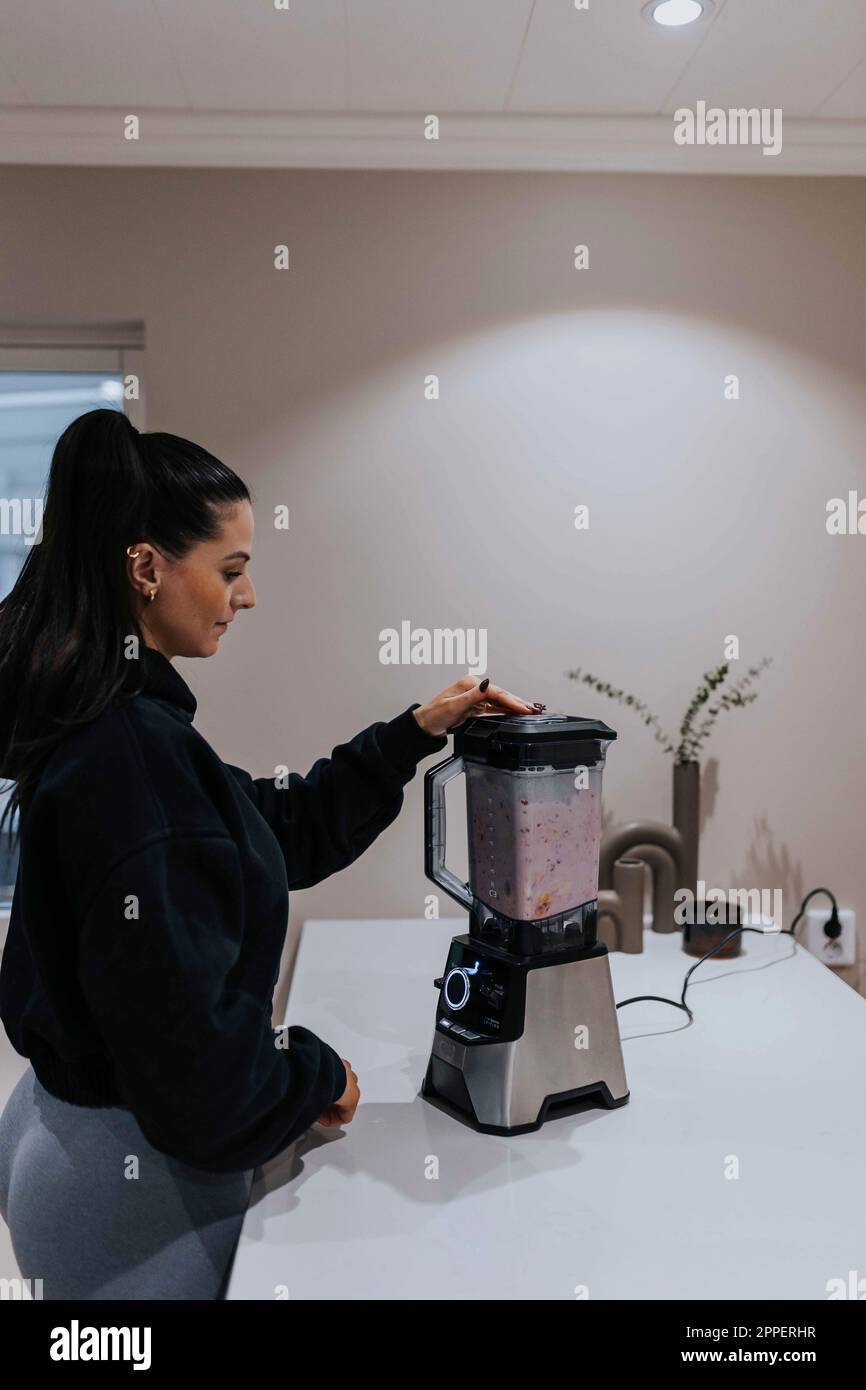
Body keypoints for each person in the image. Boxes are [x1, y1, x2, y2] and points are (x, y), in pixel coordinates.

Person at [0, 408, 535, 1300]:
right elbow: (206, 1091)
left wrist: (413, 732)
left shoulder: (117, 723)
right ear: (146, 567)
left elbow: (273, 830)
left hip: (68, 1133)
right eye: (232, 570)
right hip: (126, 1189)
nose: (245, 596)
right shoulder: (135, 756)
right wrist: (312, 1073)